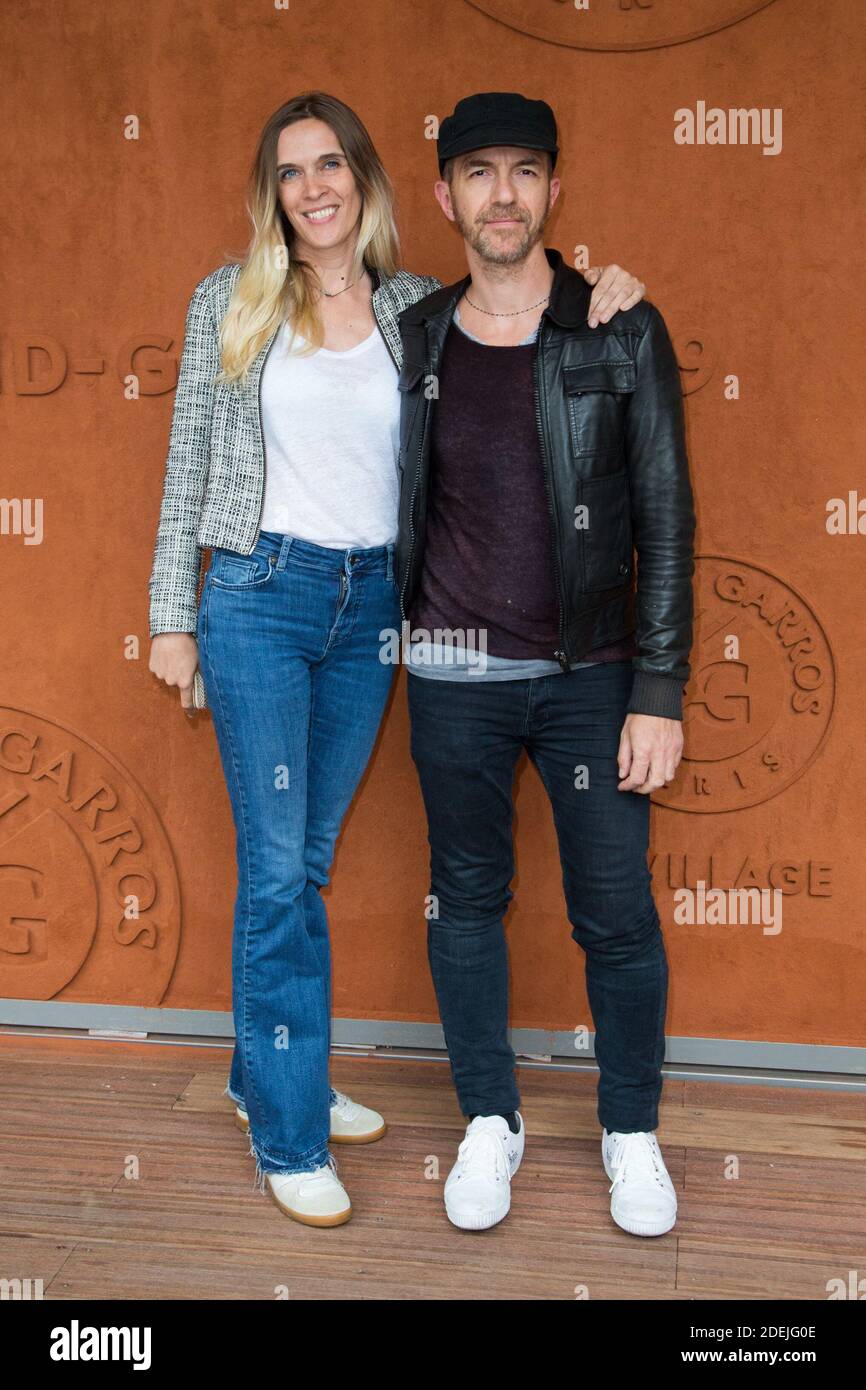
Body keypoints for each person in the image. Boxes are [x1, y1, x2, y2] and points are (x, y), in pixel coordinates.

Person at [148, 90, 647, 1227]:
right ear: (270, 194)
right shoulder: (228, 302)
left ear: (367, 185)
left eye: (333, 166)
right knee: (275, 870)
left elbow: (527, 301)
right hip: (261, 597)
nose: (314, 188)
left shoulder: (416, 308)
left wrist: (607, 289)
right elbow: (186, 463)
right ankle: (285, 1129)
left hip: (376, 604)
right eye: (290, 172)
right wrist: (169, 615)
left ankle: (264, 1068)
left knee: (305, 858)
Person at [395, 92, 696, 1236]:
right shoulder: (415, 333)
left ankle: (629, 1130)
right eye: (478, 173)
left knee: (613, 912)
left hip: (590, 676)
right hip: (451, 674)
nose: (502, 194)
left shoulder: (619, 326)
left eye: (525, 171)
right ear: (445, 198)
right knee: (464, 899)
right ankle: (489, 1120)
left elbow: (664, 517)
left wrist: (656, 692)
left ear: (552, 191)